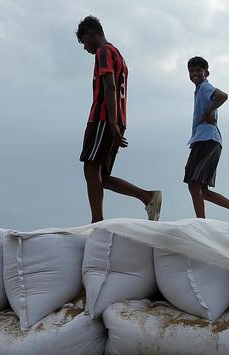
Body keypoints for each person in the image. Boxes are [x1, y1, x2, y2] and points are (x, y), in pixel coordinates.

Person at [76, 16, 162, 222]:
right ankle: (147, 196)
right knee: (101, 176)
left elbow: (110, 86)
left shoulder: (103, 52)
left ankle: (97, 220)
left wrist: (112, 122)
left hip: (103, 118)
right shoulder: (118, 55)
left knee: (90, 167)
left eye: (84, 42)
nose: (85, 48)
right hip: (117, 119)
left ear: (91, 34)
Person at [184, 56, 229, 226]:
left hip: (207, 138)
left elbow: (223, 96)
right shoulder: (199, 89)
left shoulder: (204, 87)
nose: (194, 73)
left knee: (193, 183)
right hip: (208, 139)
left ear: (206, 73)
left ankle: (201, 223)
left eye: (198, 70)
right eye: (191, 71)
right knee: (202, 190)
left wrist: (209, 112)